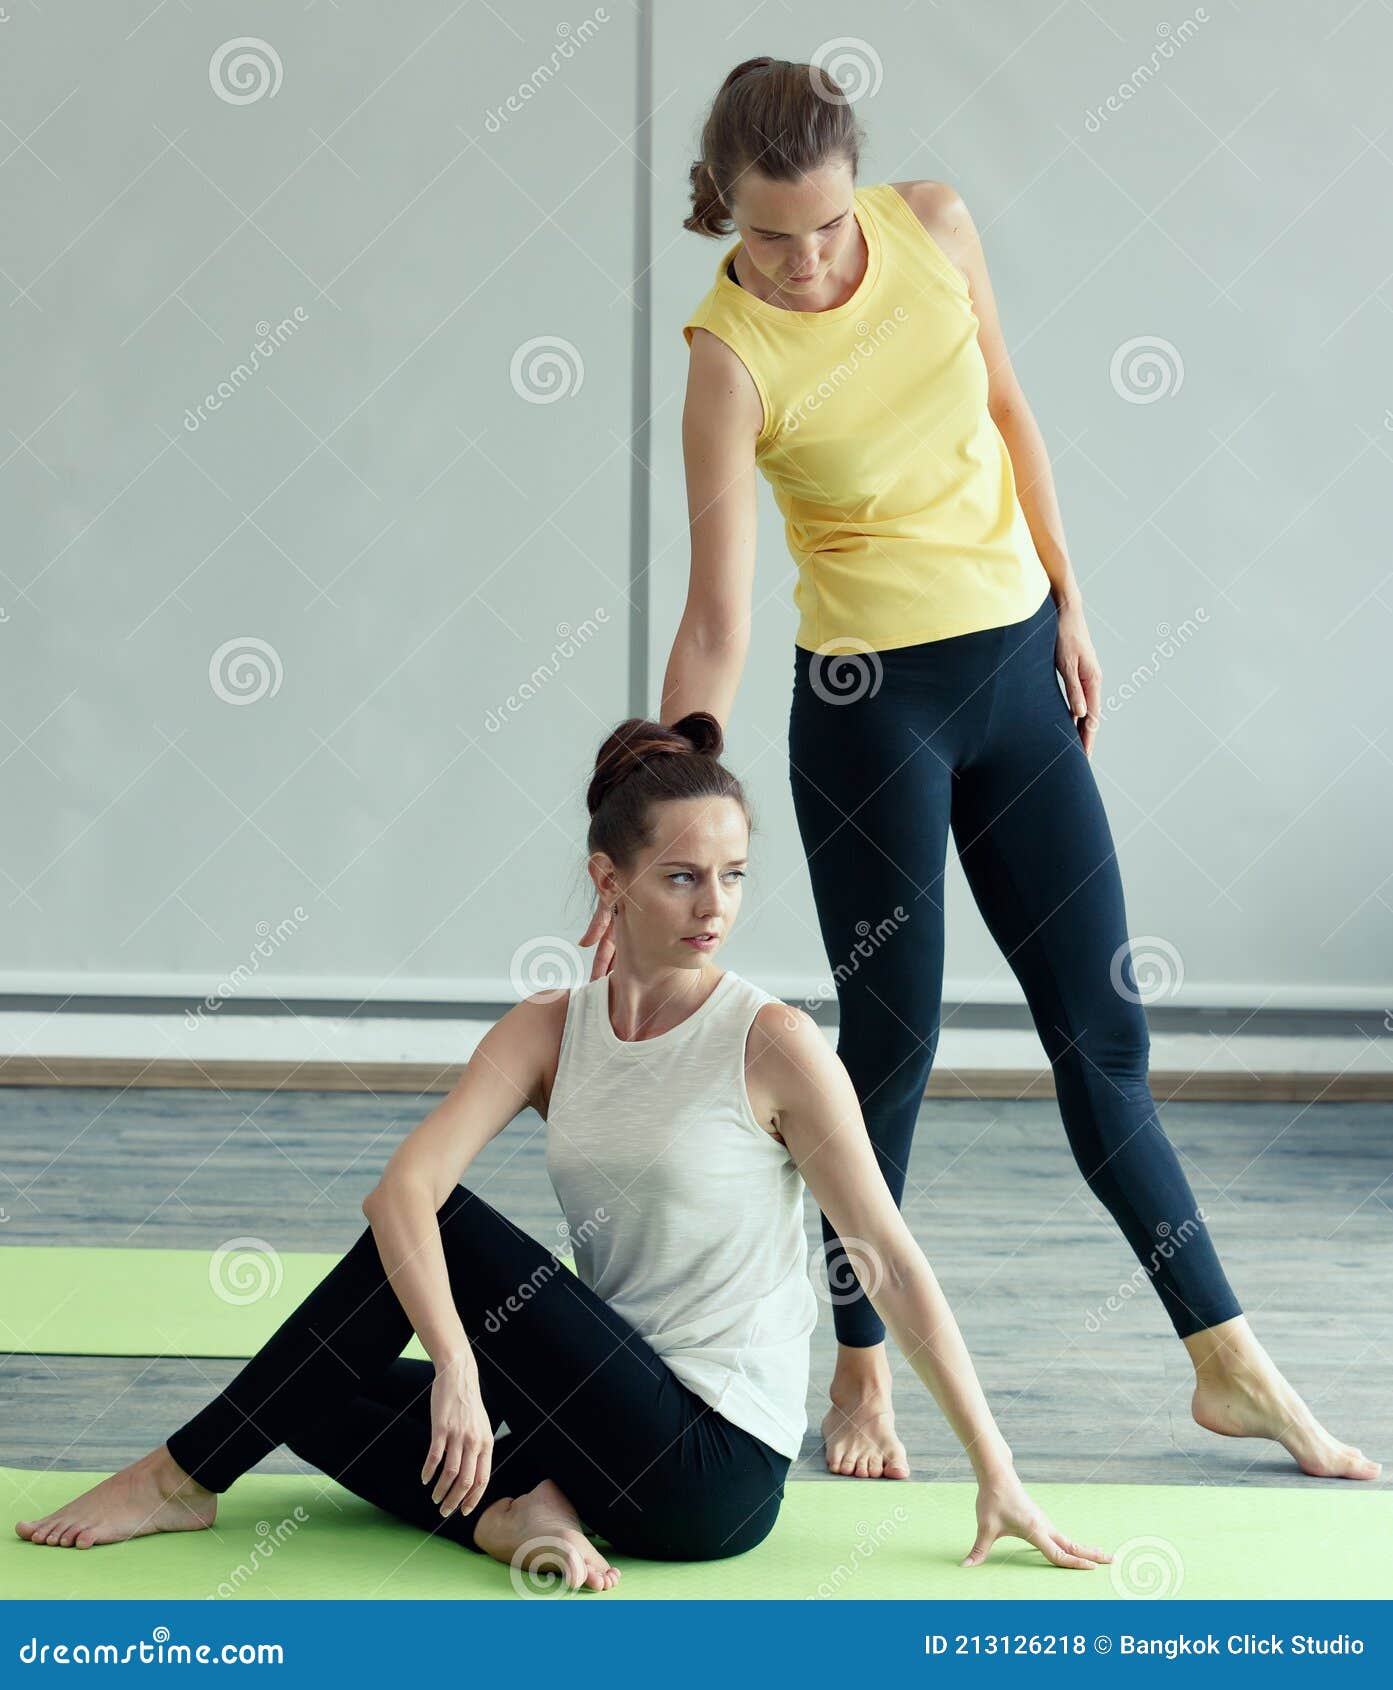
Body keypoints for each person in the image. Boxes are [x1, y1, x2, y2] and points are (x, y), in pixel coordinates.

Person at [580, 57, 1378, 1488]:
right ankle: (860, 1364)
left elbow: (1008, 415)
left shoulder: (937, 225)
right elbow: (715, 616)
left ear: (856, 188)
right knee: (886, 1049)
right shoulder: (726, 357)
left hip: (1013, 676)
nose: (807, 260)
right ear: (725, 211)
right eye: (771, 235)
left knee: (1103, 1036)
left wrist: (1067, 596)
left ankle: (1223, 1356)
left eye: (825, 225)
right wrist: (656, 818)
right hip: (869, 713)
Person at [15, 714, 1115, 1590]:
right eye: (683, 876)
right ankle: (515, 1513)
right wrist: (455, 1362)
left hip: (709, 1469)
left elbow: (888, 1255)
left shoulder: (770, 1043)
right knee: (312, 1383)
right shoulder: (549, 1031)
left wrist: (996, 1467)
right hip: (595, 1423)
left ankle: (177, 1478)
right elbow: (395, 1186)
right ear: (609, 882)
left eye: (732, 876)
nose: (714, 906)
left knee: (435, 1245)